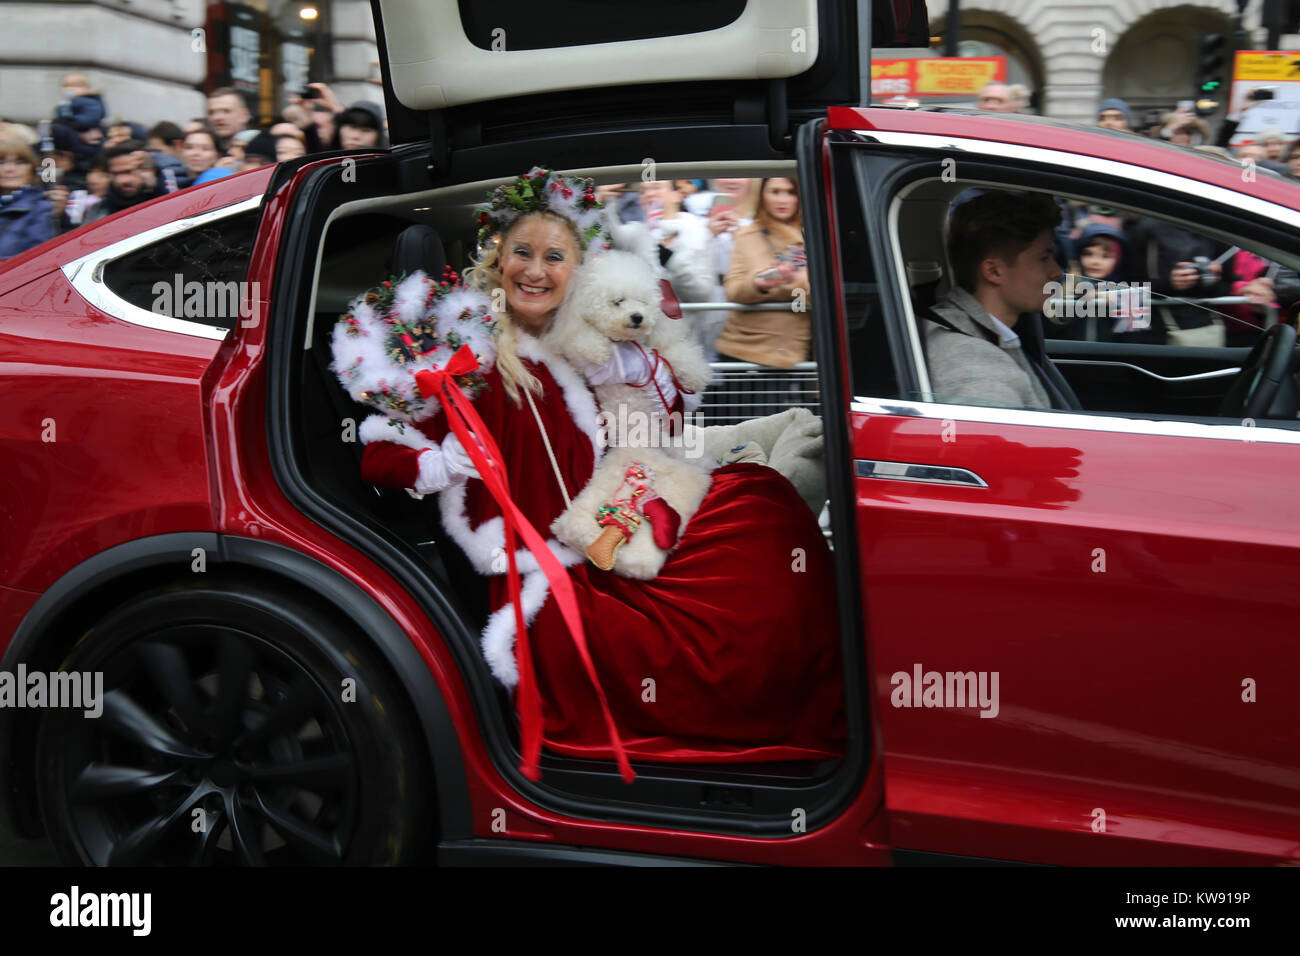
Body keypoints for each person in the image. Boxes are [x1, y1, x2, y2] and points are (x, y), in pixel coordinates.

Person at [354, 168, 844, 768]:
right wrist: (443, 461)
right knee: (746, 579)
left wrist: (647, 385)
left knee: (759, 501)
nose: (536, 270)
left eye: (554, 257)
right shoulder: (470, 352)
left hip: (611, 511)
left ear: (575, 273)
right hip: (550, 565)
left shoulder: (584, 342)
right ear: (499, 261)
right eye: (523, 254)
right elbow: (381, 452)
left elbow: (648, 418)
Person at [923, 190, 1070, 409]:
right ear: (994, 271)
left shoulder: (988, 335)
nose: (1056, 272)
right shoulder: (972, 366)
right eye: (1043, 259)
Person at [715, 177, 811, 367]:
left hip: (793, 355)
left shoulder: (814, 235)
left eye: (790, 192)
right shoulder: (747, 235)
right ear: (762, 196)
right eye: (775, 192)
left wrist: (791, 282)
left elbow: (815, 296)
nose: (782, 200)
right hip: (742, 352)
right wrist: (758, 285)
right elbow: (733, 291)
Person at [0, 139, 61, 258]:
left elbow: (39, 260)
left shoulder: (42, 209)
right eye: (1, 162)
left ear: (32, 169)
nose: (9, 169)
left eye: (19, 163)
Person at [82, 140, 165, 222]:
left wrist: (156, 189)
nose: (123, 180)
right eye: (116, 174)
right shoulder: (98, 212)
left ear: (150, 171)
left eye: (129, 172)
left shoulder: (168, 205)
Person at [206, 88, 252, 152]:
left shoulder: (262, 153)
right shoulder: (205, 156)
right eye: (212, 112)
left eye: (226, 111)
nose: (217, 117)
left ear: (244, 115)